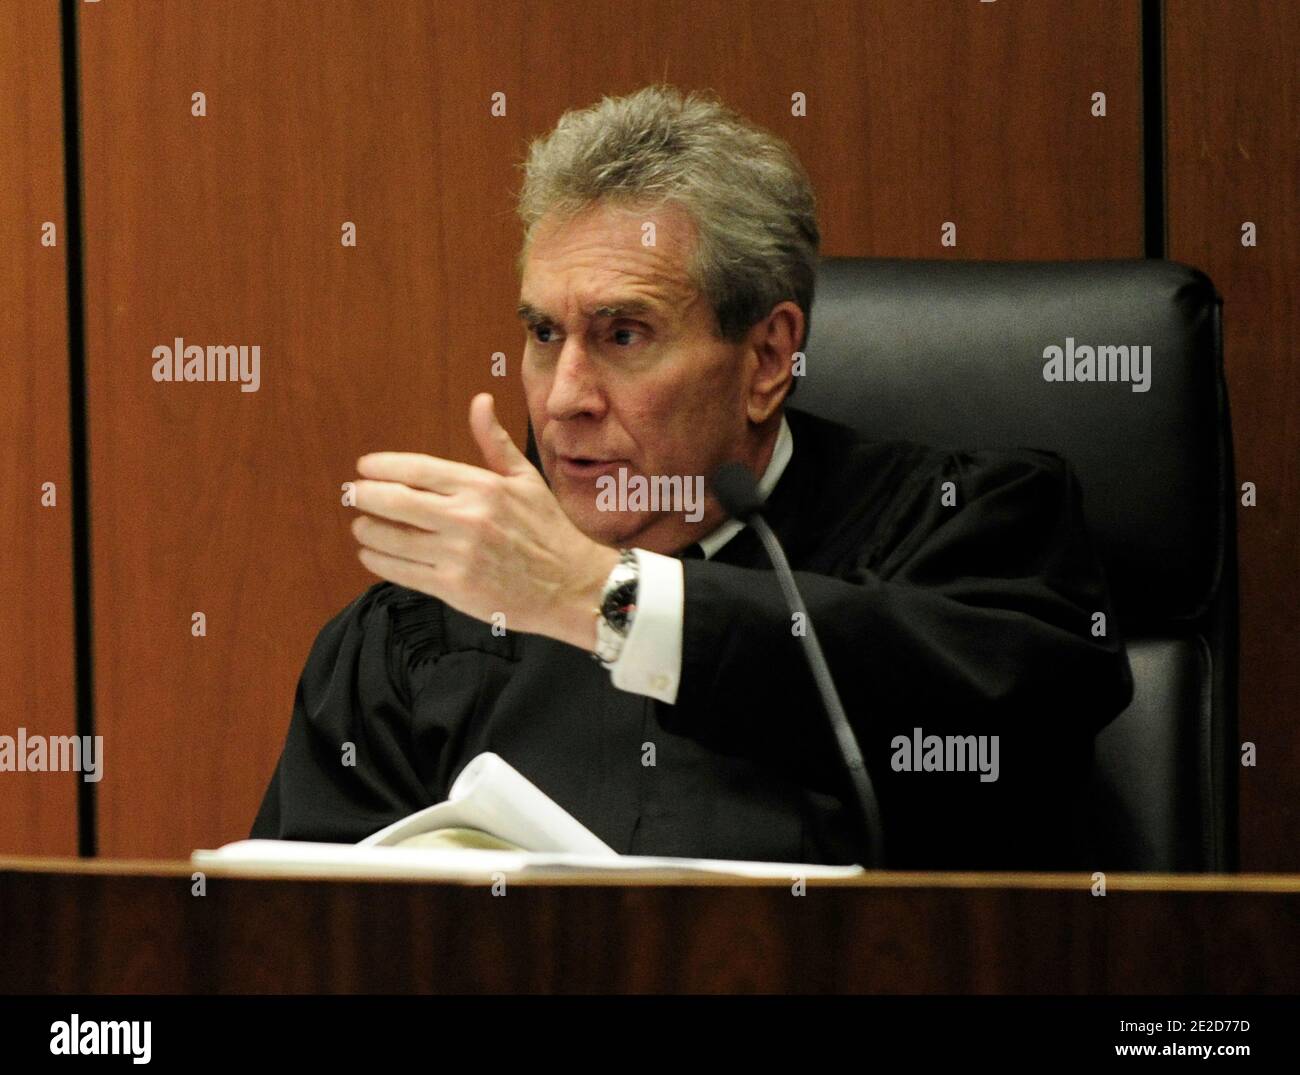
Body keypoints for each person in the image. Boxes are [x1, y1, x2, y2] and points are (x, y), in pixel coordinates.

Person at [250, 85, 1132, 869]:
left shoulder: (972, 524)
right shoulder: (432, 620)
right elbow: (303, 933)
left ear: (767, 359)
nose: (563, 400)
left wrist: (604, 598)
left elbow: (1010, 731)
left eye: (623, 335)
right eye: (544, 334)